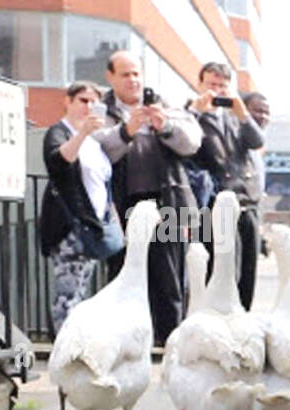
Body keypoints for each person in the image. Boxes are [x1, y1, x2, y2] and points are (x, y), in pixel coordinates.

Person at [92, 51, 203, 346]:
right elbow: (97, 149)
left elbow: (192, 143)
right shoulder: (101, 112)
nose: (133, 80)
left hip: (169, 203)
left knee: (169, 276)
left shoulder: (164, 105)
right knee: (124, 273)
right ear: (111, 77)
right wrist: (126, 131)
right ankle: (126, 342)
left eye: (137, 73)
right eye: (126, 74)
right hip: (122, 205)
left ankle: (169, 341)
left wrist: (164, 126)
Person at [40, 81, 122, 331]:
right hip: (69, 229)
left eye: (94, 103)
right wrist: (82, 132)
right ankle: (64, 354)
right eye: (83, 101)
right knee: (68, 297)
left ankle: (77, 348)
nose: (88, 107)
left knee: (82, 294)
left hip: (91, 228)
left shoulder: (95, 142)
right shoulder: (59, 132)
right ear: (68, 101)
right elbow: (58, 162)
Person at [188, 63, 266, 310]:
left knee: (248, 269)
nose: (217, 91)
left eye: (222, 86)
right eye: (211, 85)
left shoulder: (235, 119)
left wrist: (243, 114)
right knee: (221, 267)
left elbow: (256, 141)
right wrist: (196, 112)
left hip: (245, 203)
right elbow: (182, 144)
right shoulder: (190, 116)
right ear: (199, 85)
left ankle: (242, 317)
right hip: (215, 204)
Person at [241, 91, 271, 257]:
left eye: (266, 112)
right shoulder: (238, 138)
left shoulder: (257, 150)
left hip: (253, 213)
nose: (263, 116)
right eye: (258, 111)